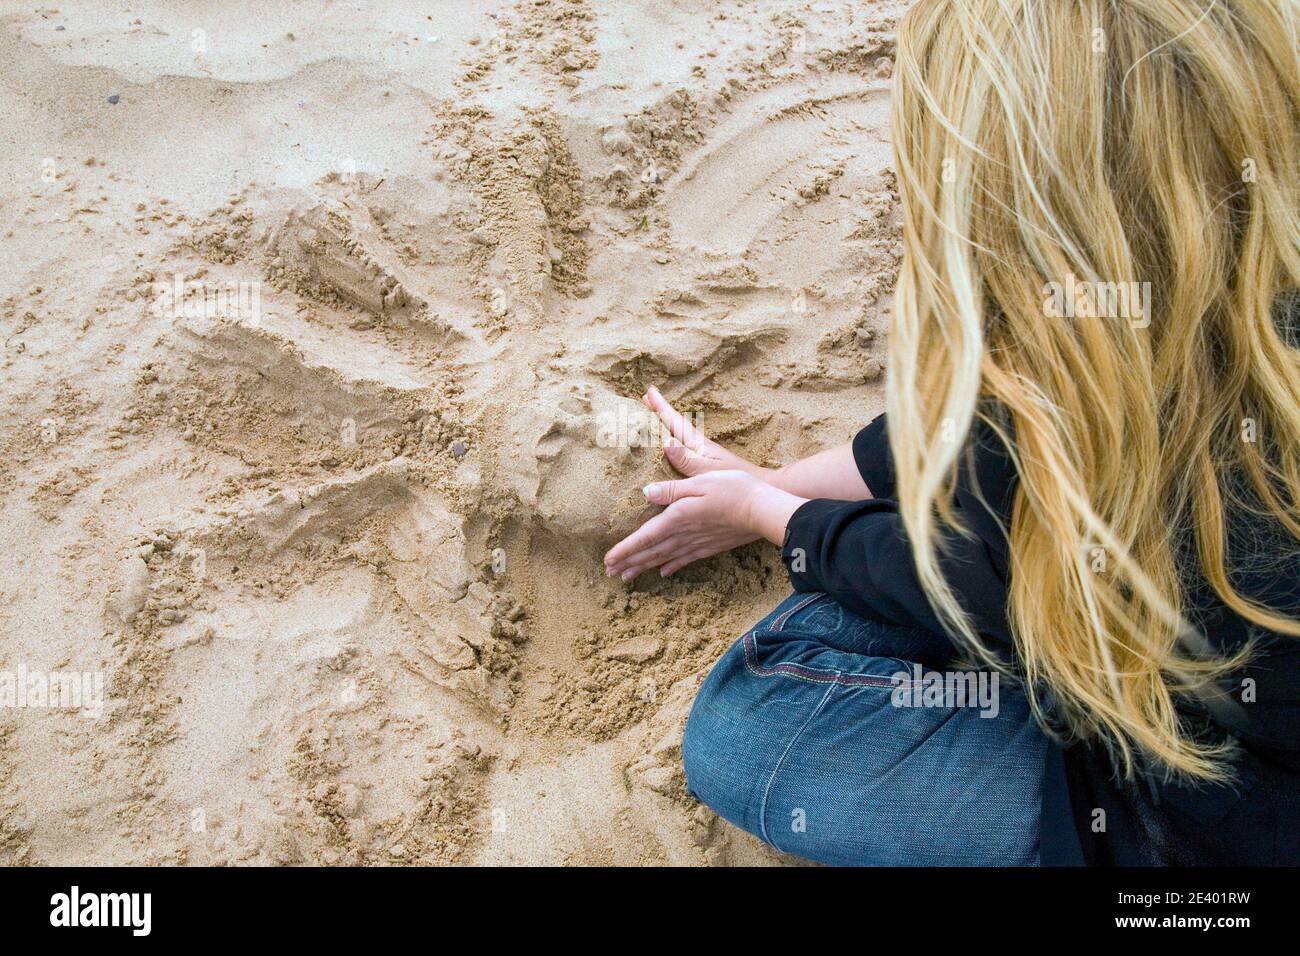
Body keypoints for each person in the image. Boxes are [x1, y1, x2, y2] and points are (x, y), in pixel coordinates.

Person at [603, 0, 1300, 865]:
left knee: (749, 725)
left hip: (1202, 837)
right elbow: (995, 426)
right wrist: (772, 480)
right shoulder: (1234, 290)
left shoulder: (1128, 481)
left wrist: (774, 520)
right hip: (1185, 655)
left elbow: (967, 578)